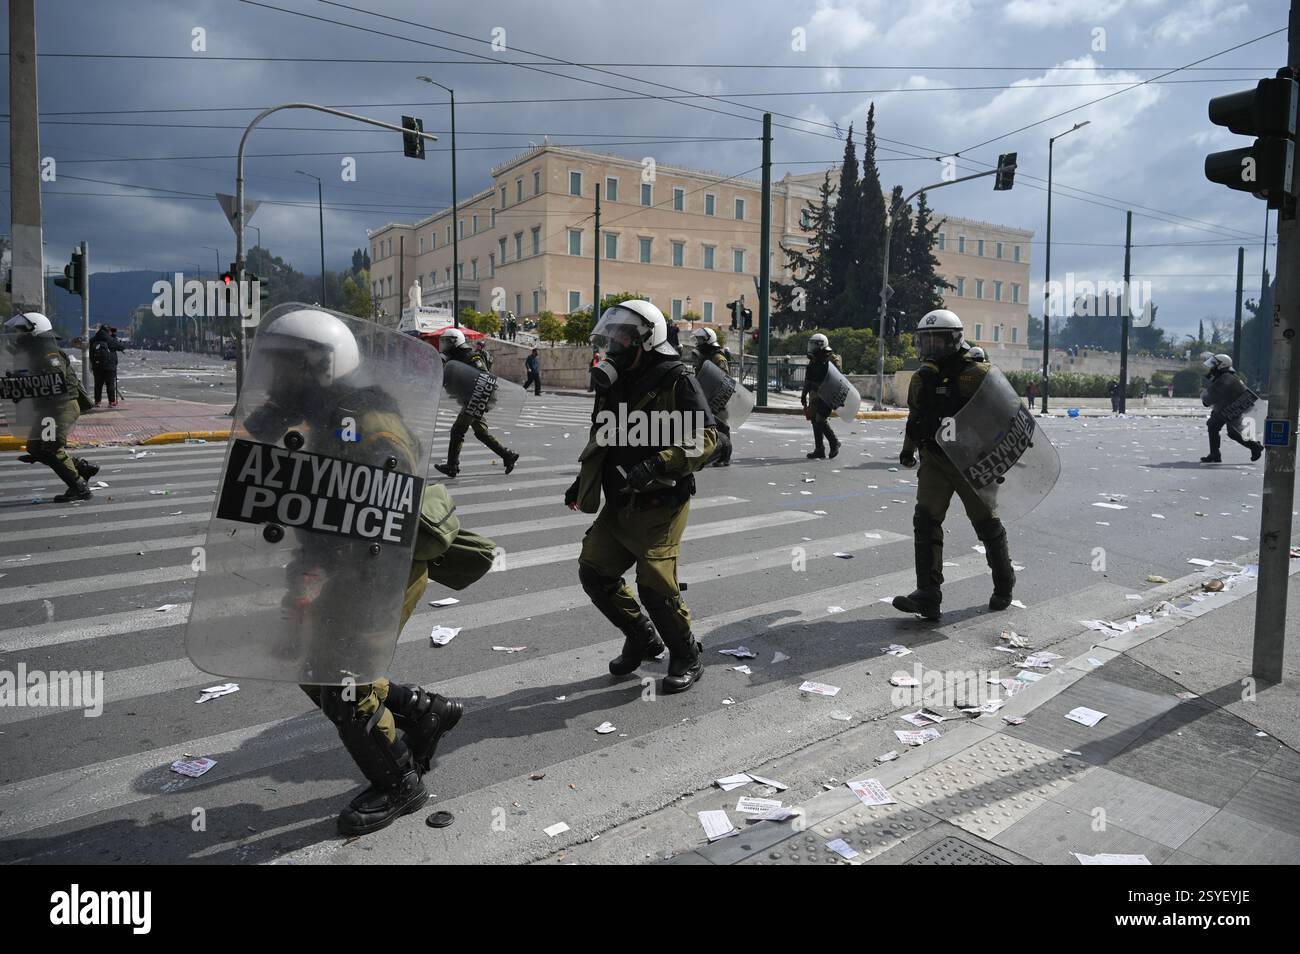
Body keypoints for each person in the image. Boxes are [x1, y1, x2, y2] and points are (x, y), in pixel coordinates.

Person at [230, 307, 481, 836]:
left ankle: (400, 783)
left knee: (345, 683)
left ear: (320, 366)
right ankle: (424, 710)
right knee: (316, 670)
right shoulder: (321, 416)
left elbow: (386, 516)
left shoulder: (368, 423)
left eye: (285, 368)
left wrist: (337, 579)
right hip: (343, 564)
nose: (276, 380)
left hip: (380, 567)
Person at [566, 300, 716, 694]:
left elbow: (707, 437)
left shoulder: (677, 379)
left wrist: (660, 462)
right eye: (612, 334)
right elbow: (604, 434)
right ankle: (642, 637)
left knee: (654, 584)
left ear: (647, 341)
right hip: (620, 500)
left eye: (624, 336)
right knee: (594, 571)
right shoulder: (614, 380)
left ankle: (686, 654)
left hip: (661, 502)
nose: (614, 343)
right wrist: (583, 479)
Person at [892, 309, 1016, 621]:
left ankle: (1004, 582)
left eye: (937, 339)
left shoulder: (977, 374)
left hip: (971, 462)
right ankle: (928, 595)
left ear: (955, 339)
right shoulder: (921, 378)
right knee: (925, 521)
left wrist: (998, 456)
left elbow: (1005, 415)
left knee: (986, 524)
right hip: (934, 458)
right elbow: (915, 417)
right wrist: (908, 450)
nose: (930, 346)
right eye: (926, 340)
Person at [3, 313, 100, 502]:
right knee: (35, 447)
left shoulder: (50, 354)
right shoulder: (35, 352)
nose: (19, 335)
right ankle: (81, 468)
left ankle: (79, 487)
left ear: (35, 331)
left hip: (61, 407)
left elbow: (53, 378)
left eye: (22, 331)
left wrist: (26, 382)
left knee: (51, 448)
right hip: (49, 408)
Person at [434, 327, 519, 478]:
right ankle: (508, 455)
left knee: (457, 431)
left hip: (477, 398)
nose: (445, 345)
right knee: (481, 433)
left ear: (456, 341)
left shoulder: (472, 357)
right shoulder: (455, 357)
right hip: (470, 399)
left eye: (447, 342)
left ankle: (452, 466)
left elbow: (484, 377)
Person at [1200, 353, 1263, 463]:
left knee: (1232, 432)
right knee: (1213, 426)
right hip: (1226, 407)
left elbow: (1211, 398)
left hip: (1233, 408)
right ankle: (1215, 454)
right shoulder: (1226, 376)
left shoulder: (1225, 378)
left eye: (1214, 364)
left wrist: (1206, 398)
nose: (1211, 367)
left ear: (1221, 366)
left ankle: (1255, 446)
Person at [691, 327, 733, 466]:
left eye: (701, 339)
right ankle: (714, 453)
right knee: (711, 428)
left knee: (722, 428)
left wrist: (717, 402)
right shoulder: (705, 357)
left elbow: (725, 381)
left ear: (708, 340)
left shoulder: (718, 358)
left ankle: (725, 456)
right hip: (707, 398)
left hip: (718, 400)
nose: (698, 342)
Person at [800, 333, 842, 459]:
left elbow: (837, 378)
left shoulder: (831, 360)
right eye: (811, 344)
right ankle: (819, 449)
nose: (811, 347)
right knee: (814, 420)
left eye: (814, 344)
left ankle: (834, 443)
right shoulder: (812, 361)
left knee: (820, 419)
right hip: (815, 394)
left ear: (821, 345)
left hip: (828, 394)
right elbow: (808, 380)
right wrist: (803, 395)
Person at [89, 324, 126, 407]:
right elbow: (121, 347)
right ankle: (112, 401)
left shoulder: (93, 340)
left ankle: (97, 402)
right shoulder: (110, 340)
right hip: (109, 366)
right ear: (108, 331)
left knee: (98, 384)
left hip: (97, 365)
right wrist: (114, 338)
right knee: (110, 384)